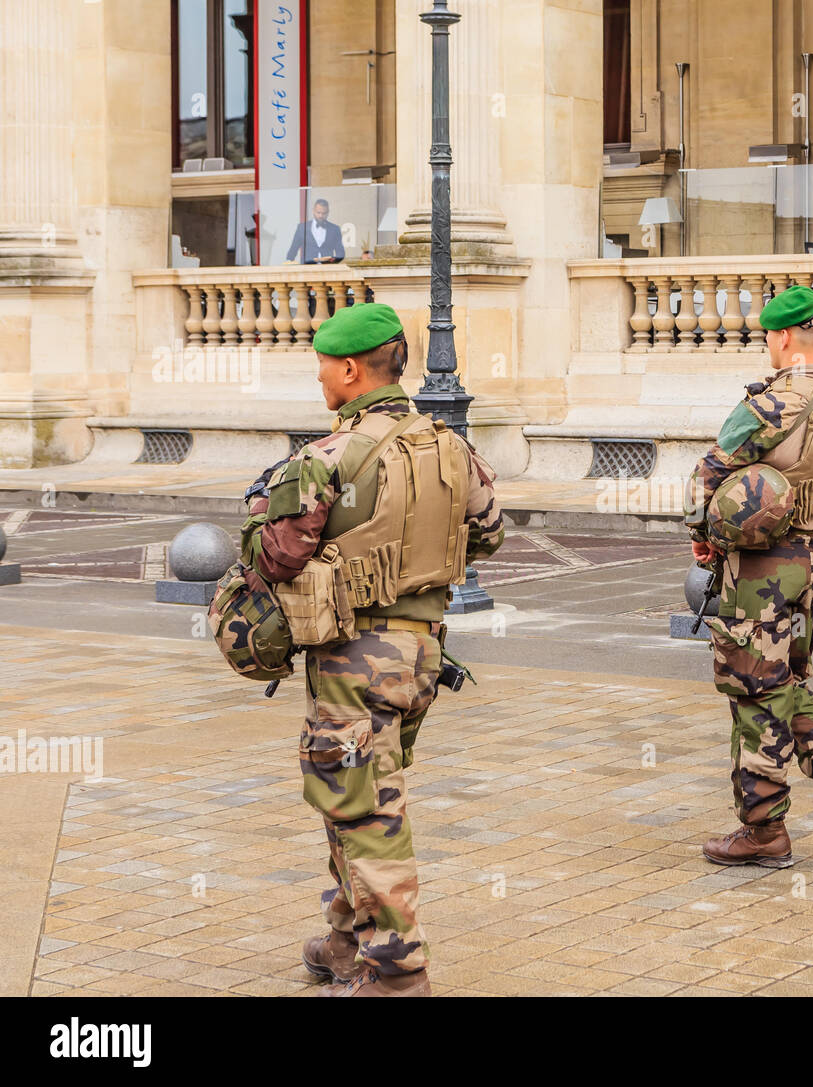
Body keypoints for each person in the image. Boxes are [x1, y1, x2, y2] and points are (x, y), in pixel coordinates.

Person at [238, 302, 505, 996]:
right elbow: (490, 531)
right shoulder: (450, 445)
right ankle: (345, 938)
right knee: (349, 790)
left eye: (323, 365)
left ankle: (397, 971)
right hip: (421, 655)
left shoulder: (329, 456)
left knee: (368, 808)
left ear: (351, 369)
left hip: (355, 657)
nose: (319, 377)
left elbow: (278, 555)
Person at [685, 284, 813, 867]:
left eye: (769, 335)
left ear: (785, 336)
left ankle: (764, 831)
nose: (767, 344)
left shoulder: (772, 402)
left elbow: (711, 470)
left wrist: (702, 532)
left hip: (761, 564)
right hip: (812, 559)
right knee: (787, 682)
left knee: (753, 692)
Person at [285, 198, 346, 263]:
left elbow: (340, 253)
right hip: (307, 269)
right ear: (313, 211)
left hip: (328, 269)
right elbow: (293, 249)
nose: (321, 216)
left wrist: (331, 261)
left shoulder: (335, 229)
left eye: (324, 213)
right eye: (318, 212)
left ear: (328, 213)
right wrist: (289, 264)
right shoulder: (302, 228)